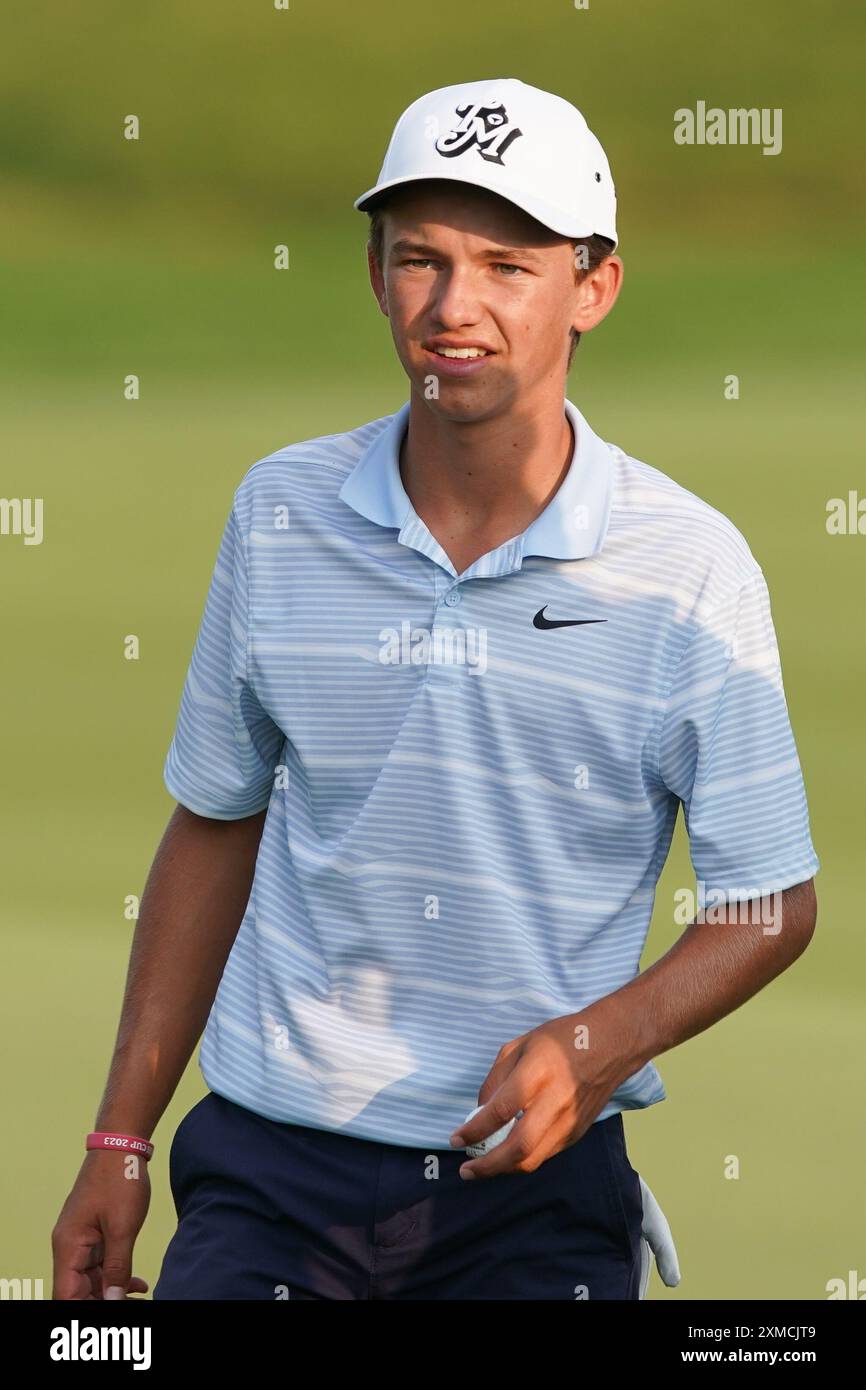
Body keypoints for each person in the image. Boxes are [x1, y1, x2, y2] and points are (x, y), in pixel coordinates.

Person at [52, 78, 818, 1301]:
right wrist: (119, 1138)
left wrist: (595, 1042)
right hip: (269, 1165)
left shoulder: (687, 567)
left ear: (592, 287)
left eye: (505, 265)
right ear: (373, 274)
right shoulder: (279, 514)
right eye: (419, 260)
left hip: (523, 1190)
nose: (452, 309)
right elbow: (215, 818)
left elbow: (768, 901)